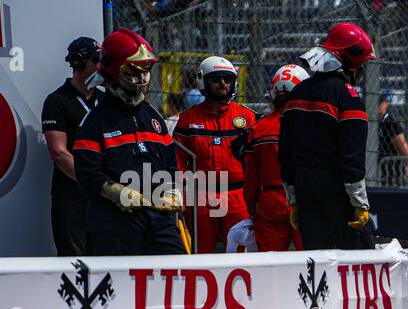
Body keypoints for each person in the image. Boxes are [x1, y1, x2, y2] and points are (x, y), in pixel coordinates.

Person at [73, 28, 187, 256]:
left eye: (146, 69)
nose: (143, 77)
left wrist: (174, 191)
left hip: (158, 218)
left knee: (180, 274)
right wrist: (118, 193)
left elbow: (170, 165)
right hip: (113, 221)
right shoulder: (95, 121)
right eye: (135, 70)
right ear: (115, 69)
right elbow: (87, 174)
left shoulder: (153, 117)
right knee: (121, 285)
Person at [280, 22, 375, 250]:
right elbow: (352, 157)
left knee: (317, 255)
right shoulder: (348, 97)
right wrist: (359, 203)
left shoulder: (297, 93)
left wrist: (292, 199)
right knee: (358, 256)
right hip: (336, 188)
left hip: (304, 187)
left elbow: (285, 153)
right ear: (351, 60)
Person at [173, 55, 256, 253]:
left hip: (238, 196)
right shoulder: (187, 119)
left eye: (227, 79)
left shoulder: (247, 117)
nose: (222, 83)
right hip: (200, 197)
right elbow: (177, 162)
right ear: (203, 81)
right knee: (200, 254)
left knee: (241, 255)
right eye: (216, 79)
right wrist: (180, 197)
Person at [41, 37, 100, 255]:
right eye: (97, 60)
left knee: (109, 261)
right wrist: (96, 183)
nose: (102, 66)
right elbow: (58, 152)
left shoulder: (106, 98)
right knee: (74, 263)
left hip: (104, 199)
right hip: (72, 197)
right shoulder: (57, 101)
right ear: (80, 62)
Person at [242, 64, 309, 251]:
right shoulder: (312, 127)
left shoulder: (258, 128)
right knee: (311, 261)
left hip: (270, 202)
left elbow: (251, 178)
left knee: (269, 263)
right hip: (304, 200)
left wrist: (253, 210)